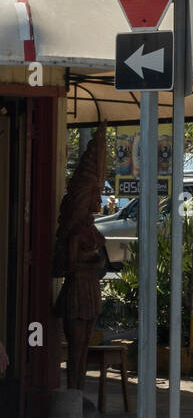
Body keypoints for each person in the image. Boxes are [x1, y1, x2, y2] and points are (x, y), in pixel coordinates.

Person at [52, 128, 109, 392]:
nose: (99, 199)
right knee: (75, 346)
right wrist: (92, 265)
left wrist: (97, 265)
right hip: (77, 291)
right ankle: (72, 391)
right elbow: (71, 264)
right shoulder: (76, 232)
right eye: (95, 194)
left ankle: (79, 390)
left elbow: (103, 255)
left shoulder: (92, 229)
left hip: (91, 291)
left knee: (85, 345)